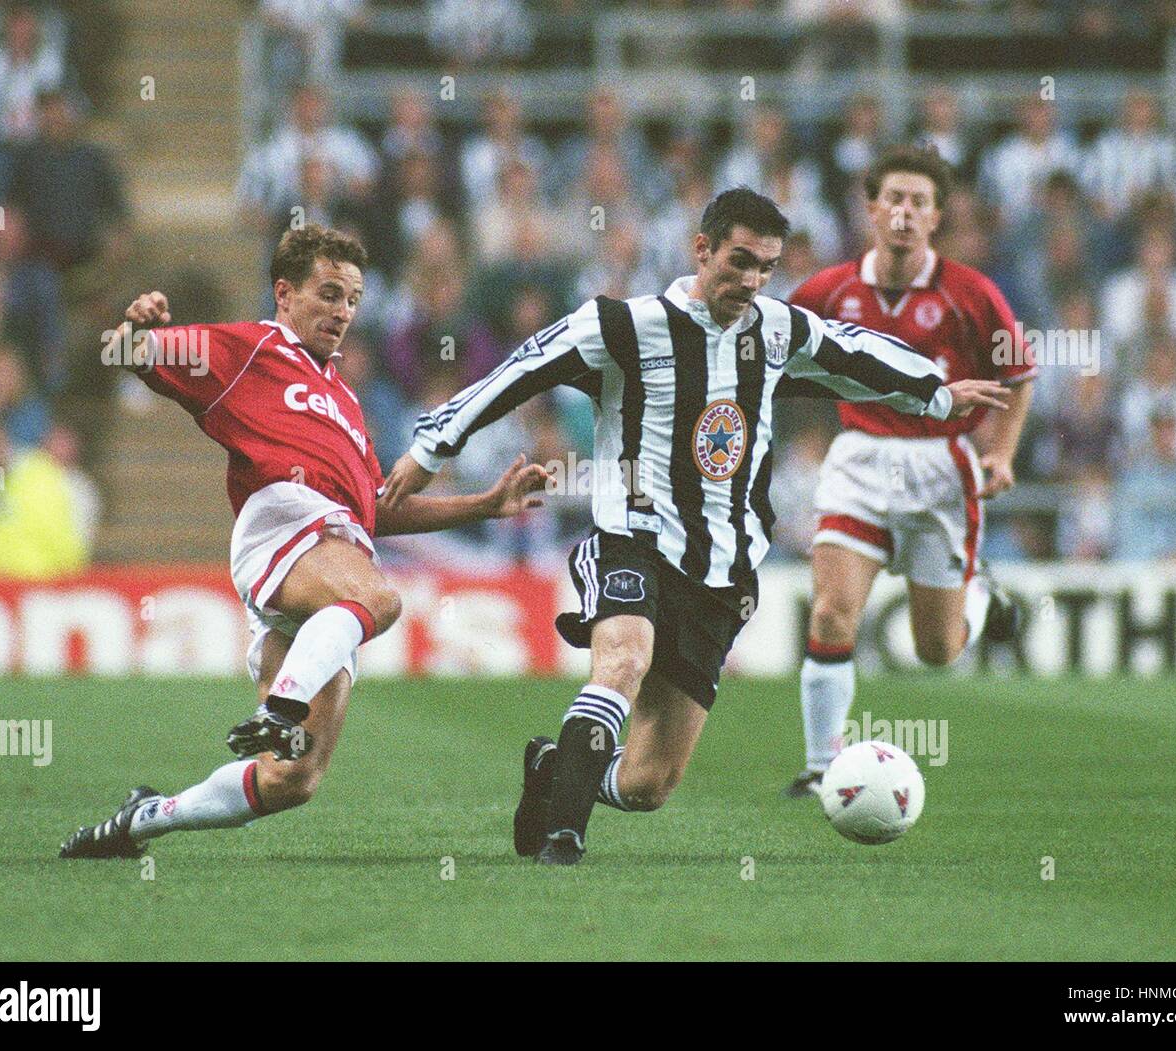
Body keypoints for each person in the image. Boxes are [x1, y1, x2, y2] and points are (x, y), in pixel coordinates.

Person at [384, 187, 1010, 865]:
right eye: (739, 260)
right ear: (702, 249)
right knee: (623, 659)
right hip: (633, 539)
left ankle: (553, 767)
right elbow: (518, 371)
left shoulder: (775, 329)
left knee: (651, 782)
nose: (751, 280)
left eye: (766, 267)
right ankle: (564, 837)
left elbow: (854, 353)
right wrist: (428, 452)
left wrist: (938, 390)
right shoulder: (620, 325)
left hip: (723, 572)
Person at [59, 224, 545, 859]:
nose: (342, 312)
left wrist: (485, 505)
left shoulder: (344, 398)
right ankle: (283, 707)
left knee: (294, 779)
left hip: (332, 560)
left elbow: (375, 510)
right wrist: (136, 328)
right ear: (285, 294)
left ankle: (142, 819)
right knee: (381, 600)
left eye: (352, 301)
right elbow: (123, 354)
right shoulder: (249, 349)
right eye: (330, 294)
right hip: (282, 521)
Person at [783, 146, 1035, 797]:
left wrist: (1001, 452)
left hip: (939, 471)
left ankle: (981, 599)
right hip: (859, 455)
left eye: (918, 202)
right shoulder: (827, 290)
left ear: (936, 216)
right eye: (893, 198)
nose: (904, 212)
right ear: (871, 209)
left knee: (937, 650)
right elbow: (772, 355)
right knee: (834, 612)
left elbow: (1020, 375)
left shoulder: (971, 293)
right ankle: (818, 766)